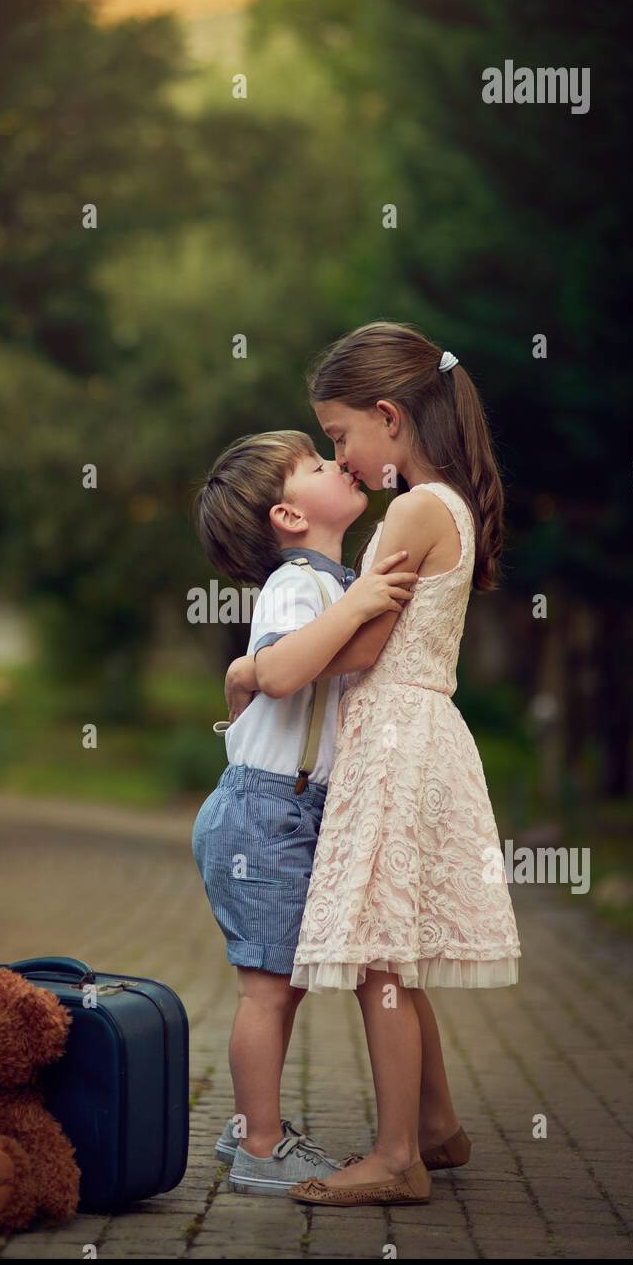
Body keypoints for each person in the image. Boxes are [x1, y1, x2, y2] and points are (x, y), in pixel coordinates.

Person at [224, 322, 521, 1207]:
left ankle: (397, 1158)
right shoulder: (446, 504)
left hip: (392, 737)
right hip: (420, 732)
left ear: (388, 415)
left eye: (342, 436)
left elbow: (357, 653)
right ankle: (432, 1125)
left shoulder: (412, 510)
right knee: (395, 953)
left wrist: (255, 667)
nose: (344, 459)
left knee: (379, 965)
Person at [190, 429, 417, 1194]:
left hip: (289, 808)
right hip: (262, 812)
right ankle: (259, 1143)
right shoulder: (297, 583)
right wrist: (356, 601)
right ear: (287, 517)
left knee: (278, 981)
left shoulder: (329, 579)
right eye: (317, 465)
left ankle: (250, 1127)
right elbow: (283, 673)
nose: (336, 461)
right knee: (268, 987)